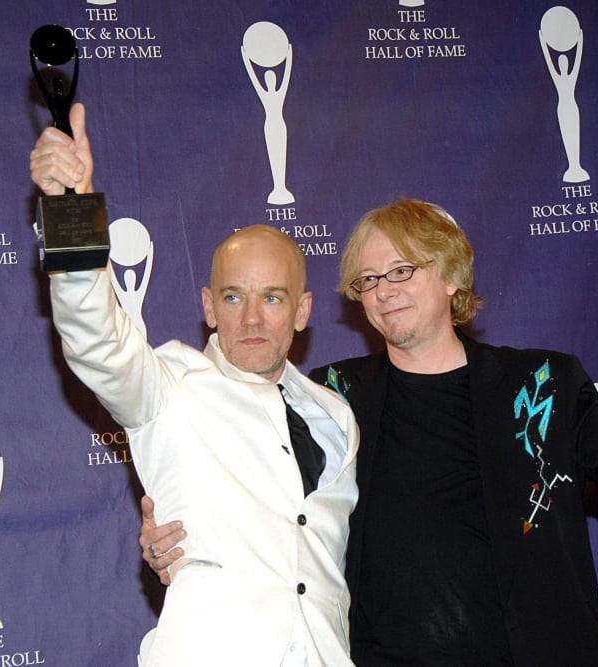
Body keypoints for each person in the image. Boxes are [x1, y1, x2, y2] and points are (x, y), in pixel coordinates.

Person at [142, 199, 598, 665]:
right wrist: (179, 538)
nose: (385, 290)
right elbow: (262, 506)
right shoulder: (328, 400)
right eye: (368, 280)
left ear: (451, 276)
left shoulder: (543, 383)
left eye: (402, 269)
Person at [30, 103, 359, 667]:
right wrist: (71, 206)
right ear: (209, 306)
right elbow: (97, 341)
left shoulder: (336, 416)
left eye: (273, 298)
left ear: (303, 311)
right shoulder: (168, 386)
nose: (252, 318)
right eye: (233, 296)